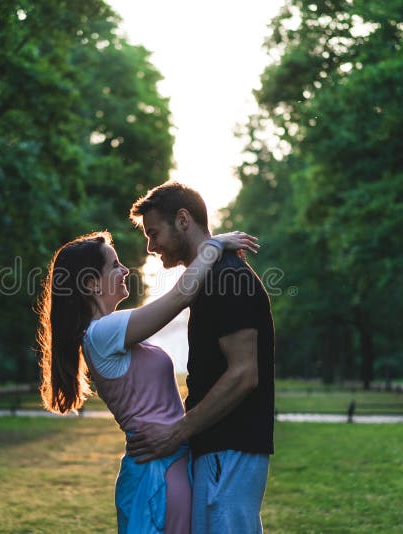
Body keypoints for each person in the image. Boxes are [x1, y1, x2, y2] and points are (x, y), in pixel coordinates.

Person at [37, 229, 259, 534]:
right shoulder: (103, 333)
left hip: (167, 465)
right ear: (90, 283)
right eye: (114, 266)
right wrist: (213, 245)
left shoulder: (110, 335)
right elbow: (182, 295)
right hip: (161, 475)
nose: (124, 270)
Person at [126, 181, 276, 534]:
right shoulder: (211, 276)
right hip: (216, 448)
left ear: (182, 220)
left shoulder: (228, 277)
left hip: (231, 449)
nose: (150, 246)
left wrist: (176, 433)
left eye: (153, 233)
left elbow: (243, 374)